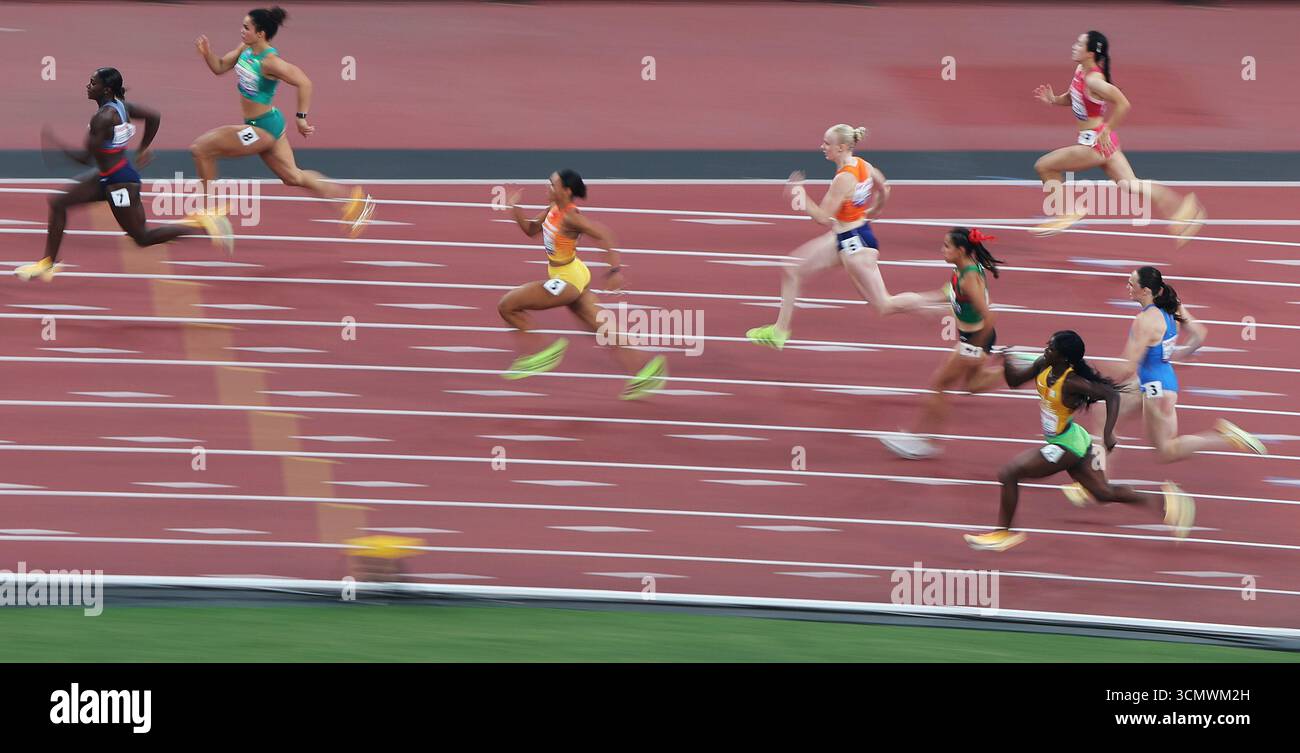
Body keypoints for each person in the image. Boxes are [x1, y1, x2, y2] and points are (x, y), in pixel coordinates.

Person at [964, 330, 1194, 552]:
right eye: (1047, 345)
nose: (1046, 349)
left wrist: (1108, 433)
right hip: (1073, 437)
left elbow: (1111, 394)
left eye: (1051, 348)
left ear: (1063, 357)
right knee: (1103, 493)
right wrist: (1006, 361)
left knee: (1009, 473)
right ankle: (1166, 501)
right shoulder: (1044, 365)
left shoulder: (1072, 382)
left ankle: (1004, 532)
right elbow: (1014, 381)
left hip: (1066, 446)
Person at [1062, 266, 1267, 504]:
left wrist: (1083, 364)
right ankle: (1096, 484)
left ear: (1146, 290)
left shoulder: (1145, 321)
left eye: (1131, 284)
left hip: (1156, 390)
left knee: (1166, 451)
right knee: (1104, 415)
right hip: (1152, 380)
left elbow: (1127, 366)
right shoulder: (1171, 301)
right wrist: (1175, 356)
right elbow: (1199, 333)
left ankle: (1224, 437)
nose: (1127, 287)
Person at [16, 68, 230, 282]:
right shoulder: (121, 107)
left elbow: (85, 158)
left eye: (93, 83)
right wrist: (143, 147)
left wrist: (59, 149)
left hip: (120, 183)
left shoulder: (103, 118)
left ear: (106, 89)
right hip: (107, 176)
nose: (88, 86)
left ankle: (201, 223)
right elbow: (153, 117)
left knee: (142, 237)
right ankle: (48, 264)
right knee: (59, 203)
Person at [191, 6, 374, 235]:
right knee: (293, 176)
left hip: (262, 129)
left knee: (201, 149)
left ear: (261, 33)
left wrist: (301, 118)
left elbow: (304, 82)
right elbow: (219, 67)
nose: (242, 31)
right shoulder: (245, 49)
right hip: (265, 125)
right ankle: (350, 200)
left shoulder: (271, 62)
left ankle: (210, 212)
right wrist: (207, 53)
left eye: (246, 27)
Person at [747, 124, 924, 349]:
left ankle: (941, 299)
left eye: (827, 143)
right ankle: (779, 332)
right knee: (792, 269)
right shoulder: (863, 165)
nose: (822, 147)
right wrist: (876, 210)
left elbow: (822, 217)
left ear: (841, 148)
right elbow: (885, 188)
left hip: (854, 242)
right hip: (848, 237)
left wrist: (800, 194)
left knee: (884, 304)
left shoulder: (844, 179)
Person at [499, 170, 668, 400]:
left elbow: (603, 235)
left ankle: (540, 350)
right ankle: (646, 369)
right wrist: (514, 209)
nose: (547, 187)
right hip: (572, 273)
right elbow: (530, 230)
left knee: (508, 305)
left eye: (552, 184)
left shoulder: (571, 216)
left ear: (566, 191)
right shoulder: (552, 210)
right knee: (600, 328)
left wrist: (614, 271)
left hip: (567, 280)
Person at [1030, 30, 1205, 245]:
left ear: (1090, 52)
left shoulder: (1095, 81)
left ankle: (1068, 211)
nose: (1074, 46)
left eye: (1079, 44)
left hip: (1094, 143)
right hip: (1104, 141)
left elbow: (1123, 104)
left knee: (1045, 166)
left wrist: (1106, 129)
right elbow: (1073, 97)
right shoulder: (1080, 71)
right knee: (1132, 185)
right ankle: (1184, 210)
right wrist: (1055, 100)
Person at [880, 228, 1007, 459]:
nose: (942, 249)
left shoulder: (969, 278)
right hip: (976, 339)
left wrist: (974, 348)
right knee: (973, 385)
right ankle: (1013, 367)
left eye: (947, 246)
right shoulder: (961, 269)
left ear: (960, 250)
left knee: (938, 386)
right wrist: (917, 302)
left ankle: (926, 442)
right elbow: (946, 293)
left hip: (975, 339)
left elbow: (990, 316)